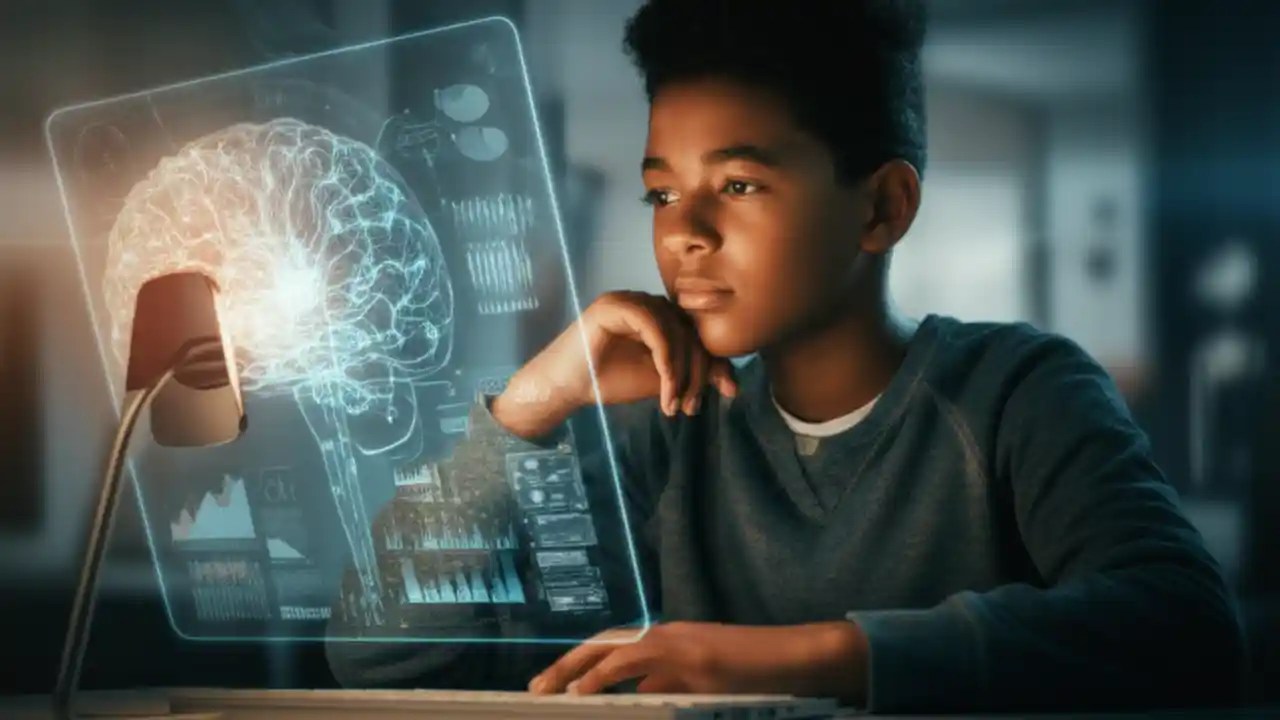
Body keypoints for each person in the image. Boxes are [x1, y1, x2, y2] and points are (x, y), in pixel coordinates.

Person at [326, 0, 1245, 712]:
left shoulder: (1018, 392)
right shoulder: (666, 425)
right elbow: (376, 655)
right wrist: (525, 409)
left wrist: (795, 659)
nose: (684, 232)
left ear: (882, 207)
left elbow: (1189, 629)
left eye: (737, 183)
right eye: (660, 194)